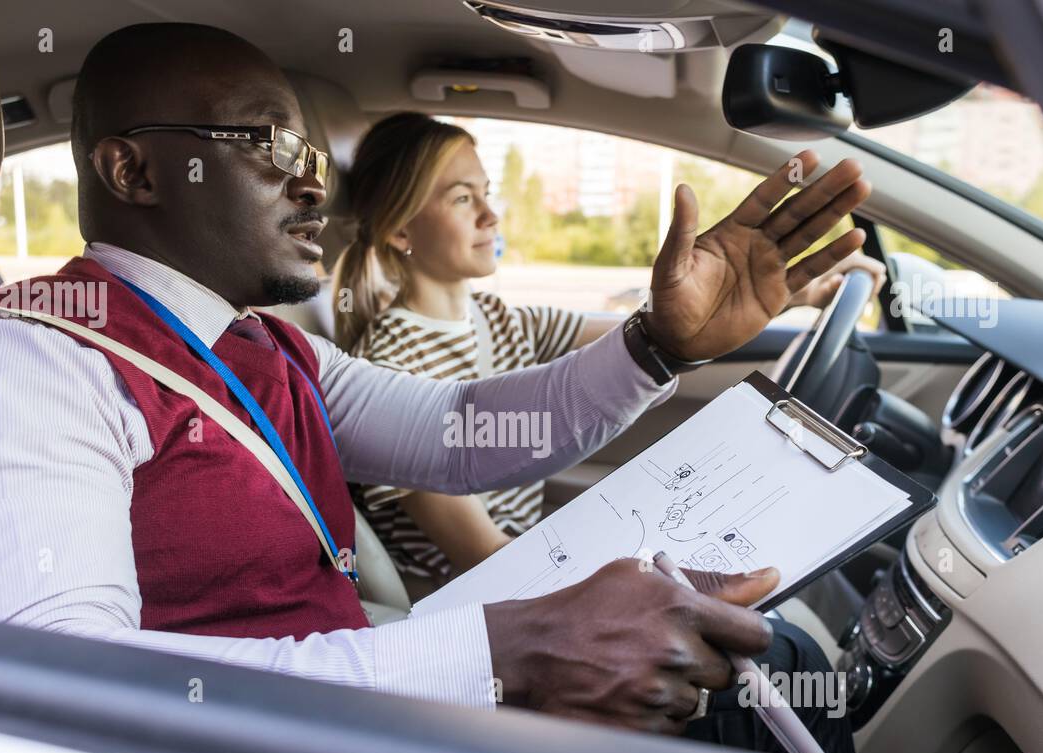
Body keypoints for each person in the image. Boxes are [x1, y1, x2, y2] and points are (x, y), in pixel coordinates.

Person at [0, 23, 871, 753]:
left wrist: (655, 344)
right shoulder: (6, 365)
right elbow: (53, 701)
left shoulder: (254, 342)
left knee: (753, 673)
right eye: (265, 144)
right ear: (131, 168)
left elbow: (457, 430)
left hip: (353, 739)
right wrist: (506, 649)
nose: (313, 186)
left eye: (310, 156)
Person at [335, 112, 886, 590]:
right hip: (475, 602)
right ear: (400, 230)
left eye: (486, 191)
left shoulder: (497, 318)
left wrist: (800, 295)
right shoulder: (391, 365)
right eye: (461, 198)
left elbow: (644, 331)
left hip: (525, 560)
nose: (491, 214)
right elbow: (483, 558)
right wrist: (641, 580)